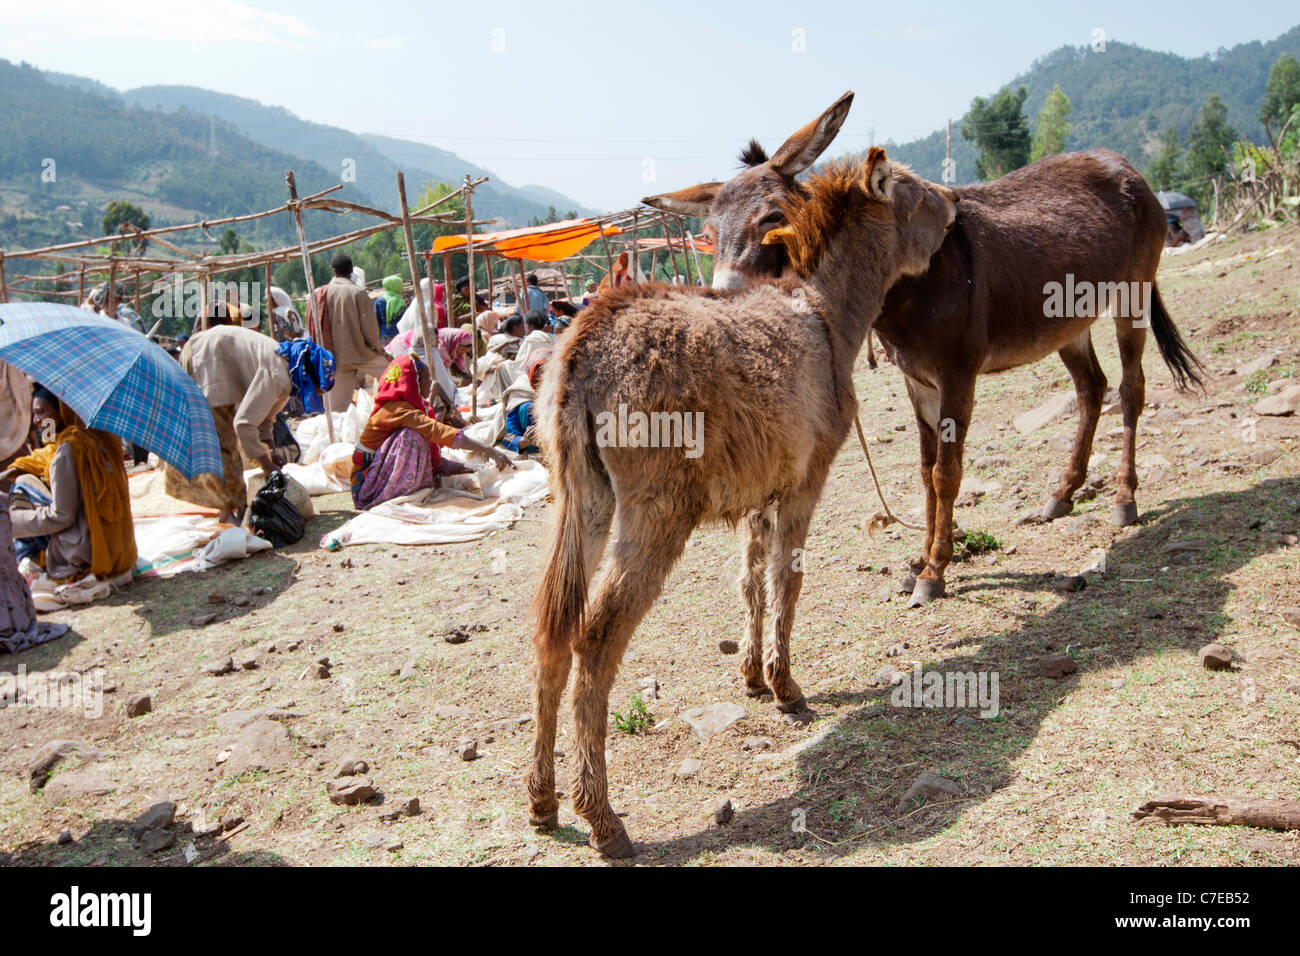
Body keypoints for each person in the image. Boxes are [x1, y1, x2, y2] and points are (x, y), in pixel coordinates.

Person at [2, 387, 136, 585]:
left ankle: (26, 560)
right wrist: (14, 470)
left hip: (83, 551)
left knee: (21, 489)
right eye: (35, 413)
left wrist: (9, 523)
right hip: (117, 545)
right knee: (24, 478)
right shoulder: (101, 435)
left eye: (41, 412)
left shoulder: (69, 451)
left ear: (63, 411)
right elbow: (48, 447)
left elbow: (61, 516)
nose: (37, 420)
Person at [164, 321, 294, 524]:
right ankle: (227, 511)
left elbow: (265, 416)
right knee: (223, 443)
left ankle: (238, 506)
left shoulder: (288, 366)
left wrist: (270, 449)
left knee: (227, 443)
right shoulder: (280, 374)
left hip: (213, 356)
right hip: (209, 359)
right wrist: (266, 464)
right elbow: (243, 424)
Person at [350, 354, 510, 510]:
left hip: (374, 478)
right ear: (415, 381)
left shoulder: (409, 409)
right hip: (366, 487)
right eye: (427, 377)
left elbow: (436, 462)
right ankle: (394, 493)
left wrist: (476, 468)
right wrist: (488, 450)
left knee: (417, 434)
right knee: (410, 436)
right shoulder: (397, 410)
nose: (431, 382)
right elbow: (438, 431)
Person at [324, 254, 389, 413]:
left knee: (337, 409)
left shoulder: (321, 293)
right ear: (352, 270)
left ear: (334, 271)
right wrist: (379, 349)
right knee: (393, 373)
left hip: (334, 357)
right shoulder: (357, 292)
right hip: (360, 353)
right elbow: (370, 328)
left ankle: (340, 435)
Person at [500, 350, 550, 455]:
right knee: (528, 408)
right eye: (538, 379)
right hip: (536, 451)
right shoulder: (520, 393)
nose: (543, 382)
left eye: (549, 376)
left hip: (558, 444)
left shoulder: (565, 389)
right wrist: (525, 440)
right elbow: (508, 439)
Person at [377, 275, 406, 339]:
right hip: (399, 334)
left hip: (384, 334)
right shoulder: (401, 302)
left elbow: (376, 319)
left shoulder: (380, 300)